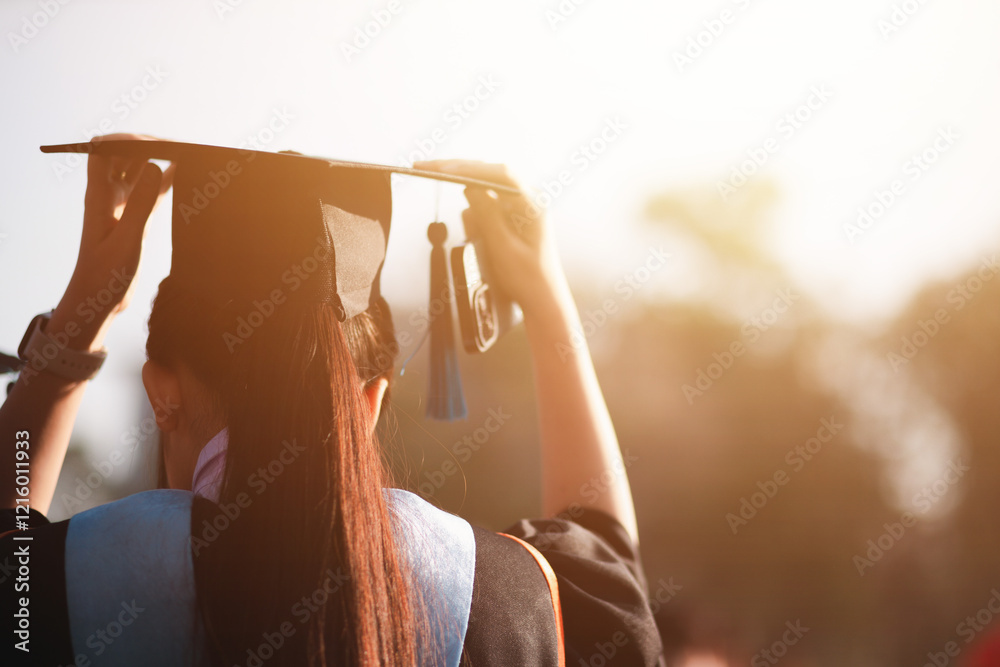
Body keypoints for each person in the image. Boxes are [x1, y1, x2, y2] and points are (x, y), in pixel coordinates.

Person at [0, 134, 663, 666]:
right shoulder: (511, 601)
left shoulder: (65, 585)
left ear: (159, 392)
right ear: (372, 401)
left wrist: (75, 331)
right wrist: (547, 296)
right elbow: (610, 567)